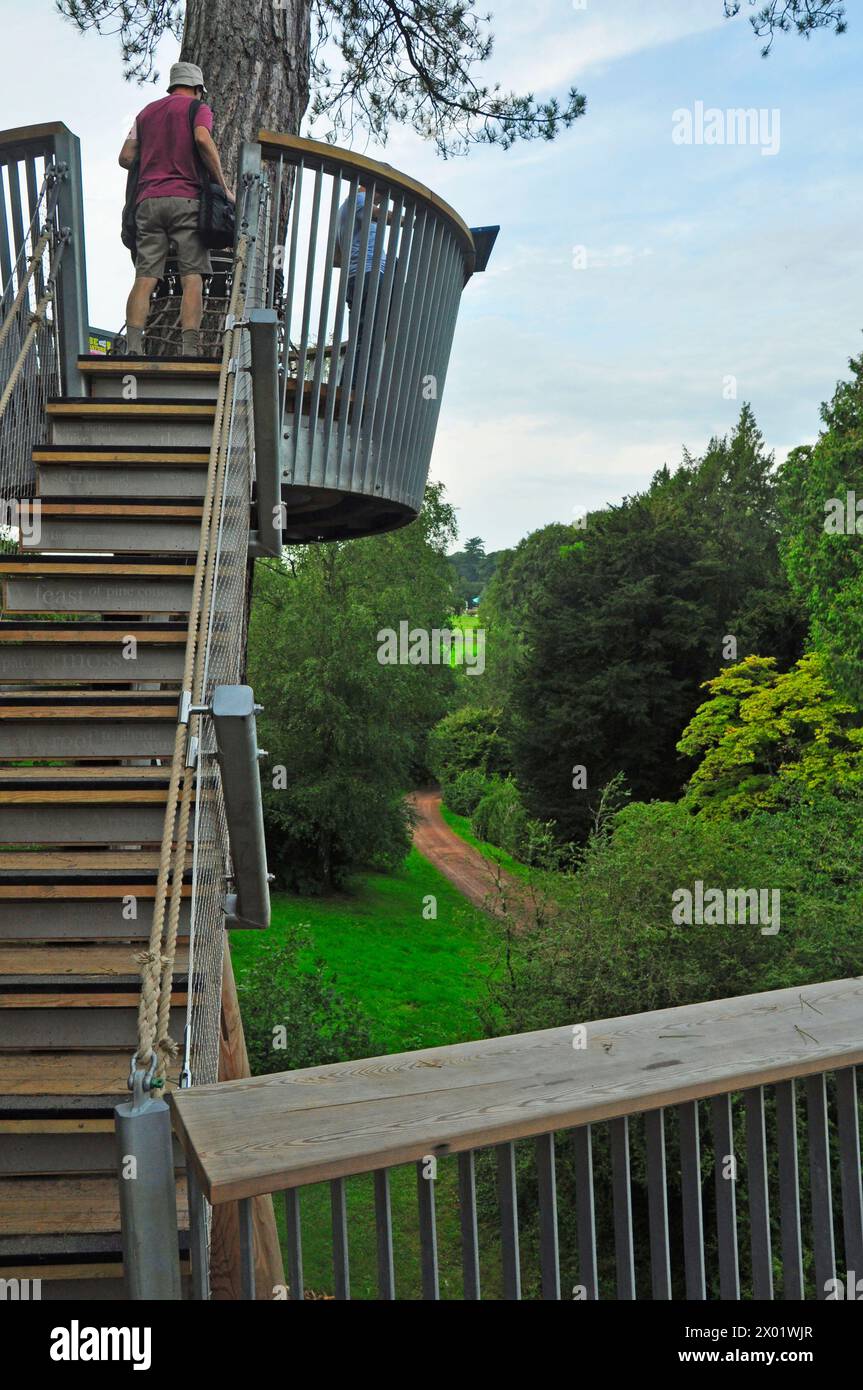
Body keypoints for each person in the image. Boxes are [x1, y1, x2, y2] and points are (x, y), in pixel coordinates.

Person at [118, 61, 234, 357]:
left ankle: (133, 348)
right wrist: (222, 184)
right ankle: (189, 351)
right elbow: (202, 139)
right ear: (197, 89)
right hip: (186, 201)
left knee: (145, 277)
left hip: (148, 202)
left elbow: (125, 157)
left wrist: (156, 159)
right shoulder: (198, 109)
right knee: (192, 275)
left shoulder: (146, 114)